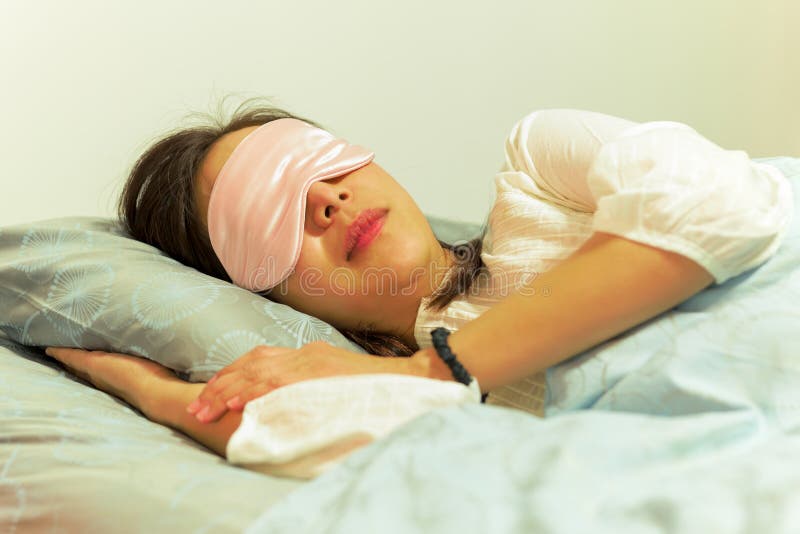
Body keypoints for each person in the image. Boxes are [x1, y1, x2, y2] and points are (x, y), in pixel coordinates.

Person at [46, 100, 794, 459]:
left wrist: (439, 366)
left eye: (315, 161)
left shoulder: (538, 173)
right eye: (264, 219)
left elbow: (718, 206)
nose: (324, 197)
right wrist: (143, 386)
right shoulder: (401, 394)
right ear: (256, 295)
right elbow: (300, 435)